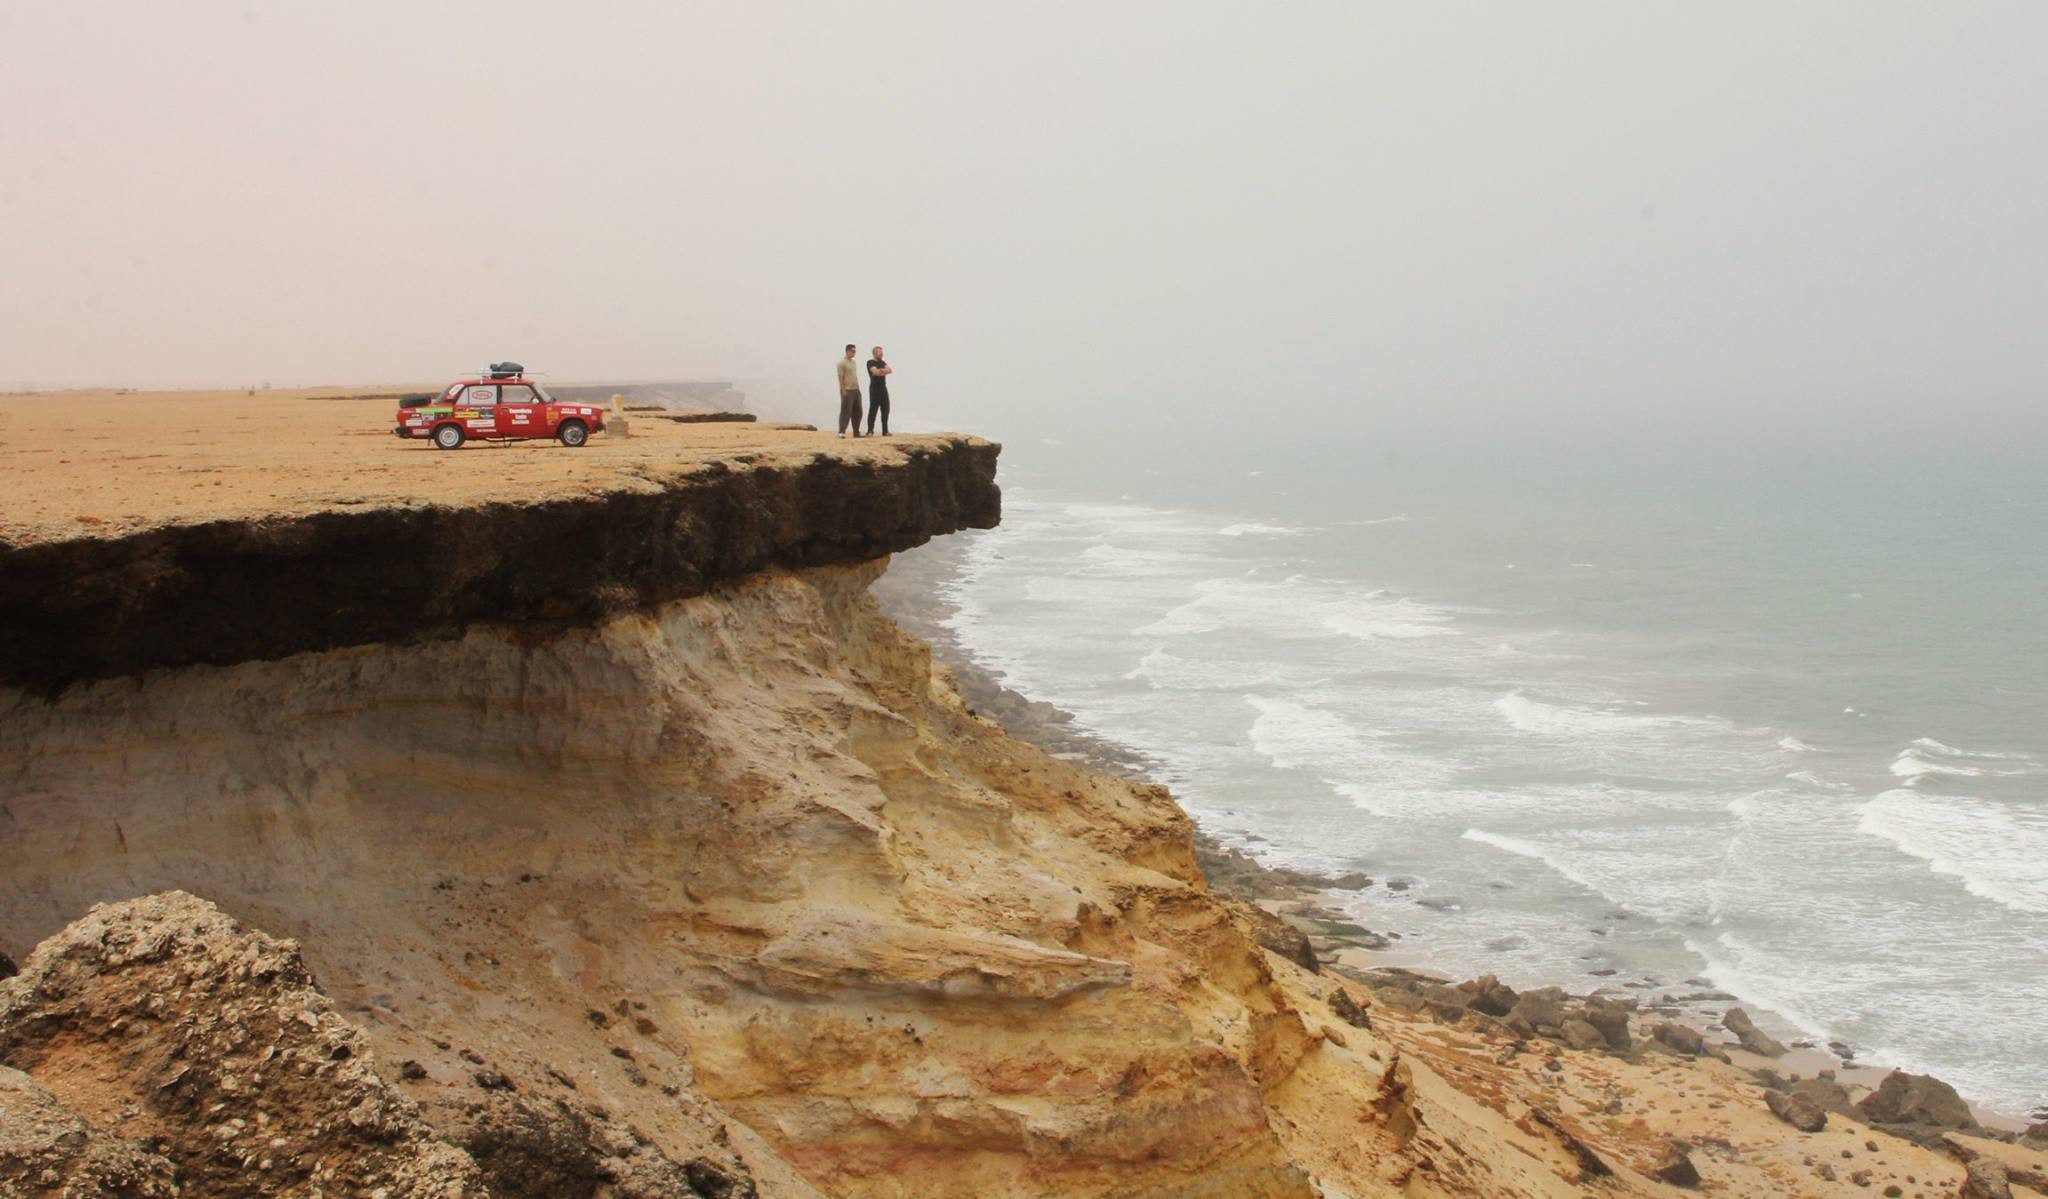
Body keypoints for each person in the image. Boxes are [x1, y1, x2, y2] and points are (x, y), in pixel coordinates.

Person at [835, 344, 863, 437]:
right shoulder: (841, 363)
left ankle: (856, 432)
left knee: (858, 411)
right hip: (848, 390)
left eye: (855, 351)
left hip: (856, 389)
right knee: (846, 411)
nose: (854, 353)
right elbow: (840, 377)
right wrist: (843, 390)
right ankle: (841, 431)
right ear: (847, 351)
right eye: (853, 351)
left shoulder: (853, 363)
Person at [865, 346, 892, 436]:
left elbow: (890, 370)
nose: (881, 353)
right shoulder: (870, 362)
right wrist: (882, 371)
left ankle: (885, 431)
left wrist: (881, 371)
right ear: (874, 353)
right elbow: (875, 372)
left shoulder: (882, 362)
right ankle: (870, 431)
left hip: (883, 388)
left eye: (881, 352)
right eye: (879, 352)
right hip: (874, 389)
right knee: (873, 409)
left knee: (885, 409)